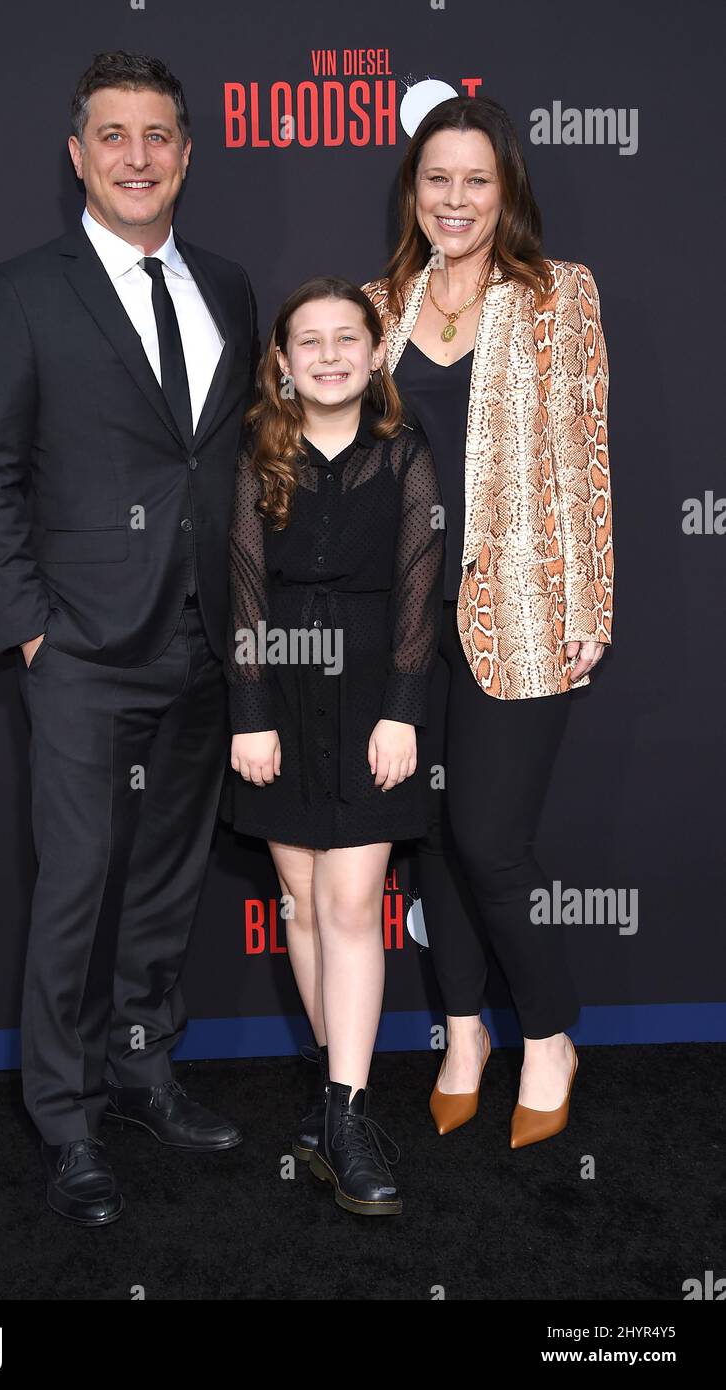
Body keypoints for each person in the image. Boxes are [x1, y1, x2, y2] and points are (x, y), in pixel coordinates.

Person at [0, 51, 258, 1225]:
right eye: (113, 135)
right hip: (79, 647)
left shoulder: (228, 286)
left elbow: (219, 463)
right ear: (77, 154)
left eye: (158, 136)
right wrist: (29, 630)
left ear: (187, 154)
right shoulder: (19, 289)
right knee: (77, 884)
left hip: (201, 641)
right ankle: (66, 1116)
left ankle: (141, 1066)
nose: (137, 156)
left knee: (167, 883)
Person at [361, 94, 613, 1148]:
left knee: (485, 838)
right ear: (411, 190)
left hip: (521, 606)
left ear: (504, 188)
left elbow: (585, 450)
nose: (452, 199)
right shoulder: (374, 305)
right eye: (435, 178)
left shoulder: (556, 294)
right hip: (400, 623)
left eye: (474, 179)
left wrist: (590, 597)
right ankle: (461, 1033)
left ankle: (546, 1035)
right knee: (427, 839)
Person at [223, 277, 443, 1214]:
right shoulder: (254, 454)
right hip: (276, 696)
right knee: (303, 905)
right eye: (306, 341)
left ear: (372, 353)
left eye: (344, 339)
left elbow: (419, 585)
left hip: (369, 703)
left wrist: (401, 709)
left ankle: (346, 1118)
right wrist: (248, 712)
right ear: (281, 361)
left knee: (352, 904)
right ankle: (331, 1102)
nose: (325, 354)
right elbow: (239, 586)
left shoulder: (404, 454)